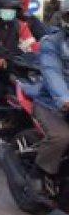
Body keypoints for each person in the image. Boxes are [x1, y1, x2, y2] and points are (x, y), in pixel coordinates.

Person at [33, 14, 69, 180]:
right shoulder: (52, 43)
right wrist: (64, 99)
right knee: (61, 137)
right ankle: (38, 176)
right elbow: (52, 72)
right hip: (51, 105)